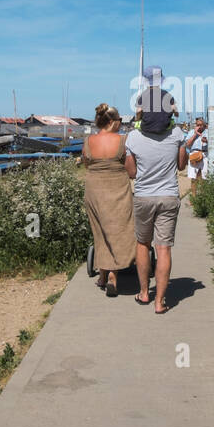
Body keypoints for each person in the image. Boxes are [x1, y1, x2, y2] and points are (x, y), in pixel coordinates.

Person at [124, 95, 186, 314]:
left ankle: (144, 293)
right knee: (164, 249)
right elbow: (181, 165)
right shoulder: (177, 134)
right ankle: (160, 302)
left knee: (143, 244)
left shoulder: (132, 137)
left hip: (143, 197)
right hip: (168, 196)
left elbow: (131, 173)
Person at [81, 104, 135, 297]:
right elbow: (132, 171)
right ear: (112, 122)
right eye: (119, 121)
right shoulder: (123, 141)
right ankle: (114, 273)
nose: (121, 124)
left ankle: (103, 276)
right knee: (119, 230)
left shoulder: (89, 141)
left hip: (94, 189)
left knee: (100, 231)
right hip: (118, 187)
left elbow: (87, 163)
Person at [184, 118, 209, 200]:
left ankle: (203, 197)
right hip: (194, 154)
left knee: (204, 177)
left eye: (200, 125)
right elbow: (187, 144)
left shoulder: (208, 132)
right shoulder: (191, 132)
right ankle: (194, 198)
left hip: (204, 154)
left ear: (204, 125)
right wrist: (195, 134)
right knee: (193, 177)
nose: (199, 127)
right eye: (197, 125)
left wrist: (206, 141)